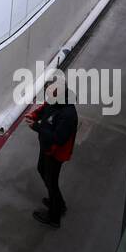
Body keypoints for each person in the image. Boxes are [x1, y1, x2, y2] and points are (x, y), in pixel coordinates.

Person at [27, 76, 78, 229]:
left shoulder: (68, 114)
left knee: (51, 182)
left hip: (56, 153)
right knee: (42, 169)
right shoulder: (55, 100)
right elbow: (45, 108)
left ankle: (54, 216)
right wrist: (35, 115)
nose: (48, 96)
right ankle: (58, 204)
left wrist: (37, 126)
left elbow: (59, 138)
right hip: (47, 148)